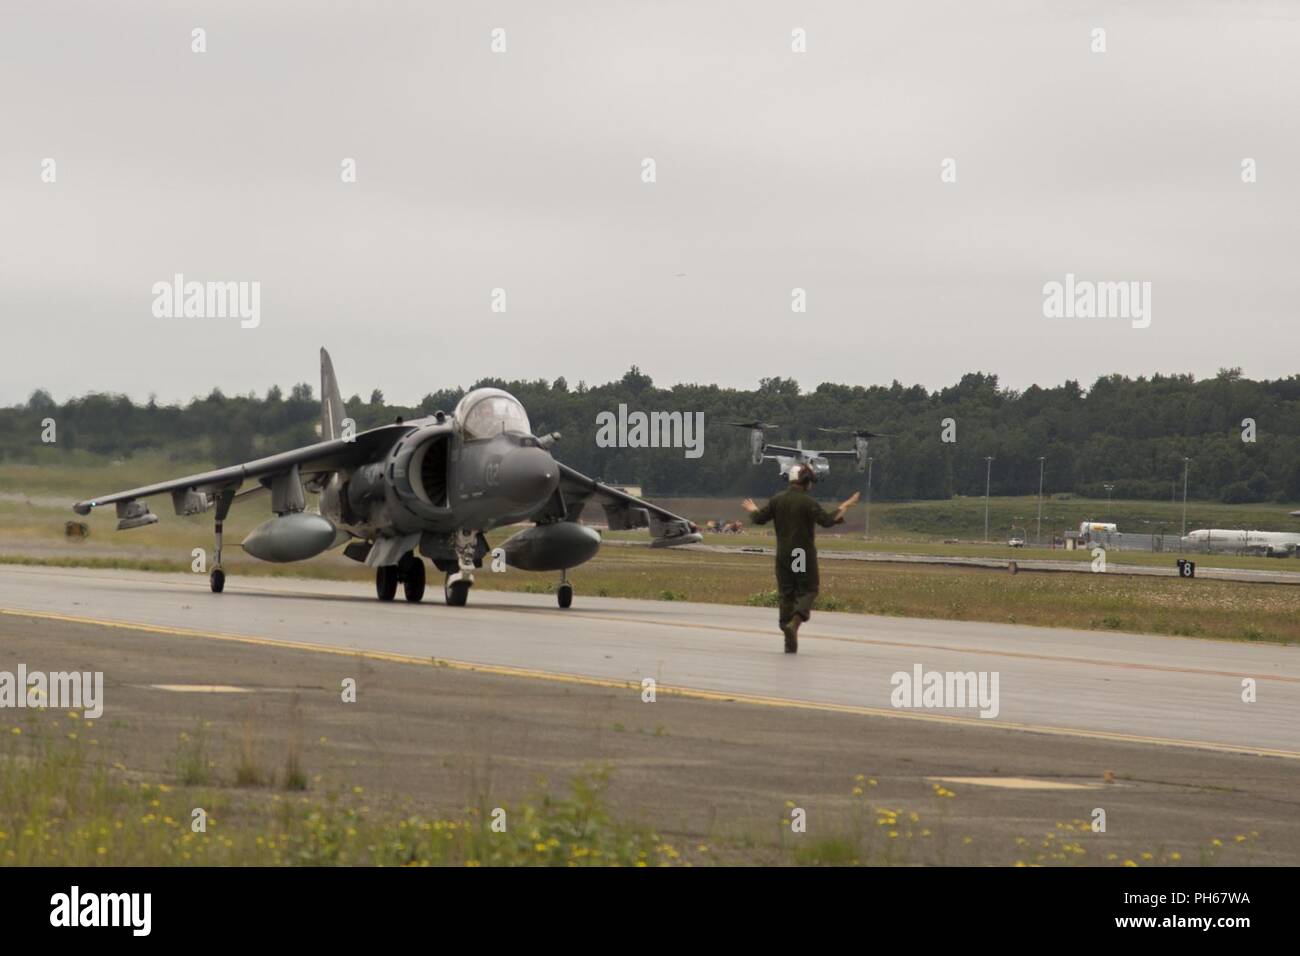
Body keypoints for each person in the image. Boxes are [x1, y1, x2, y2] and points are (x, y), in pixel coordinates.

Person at [741, 466, 861, 653]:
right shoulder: (807, 502)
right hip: (800, 554)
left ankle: (788, 635)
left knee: (786, 593)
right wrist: (846, 505)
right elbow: (827, 521)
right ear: (807, 482)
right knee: (808, 589)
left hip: (783, 555)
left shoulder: (777, 499)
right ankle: (796, 621)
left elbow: (759, 519)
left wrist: (753, 508)